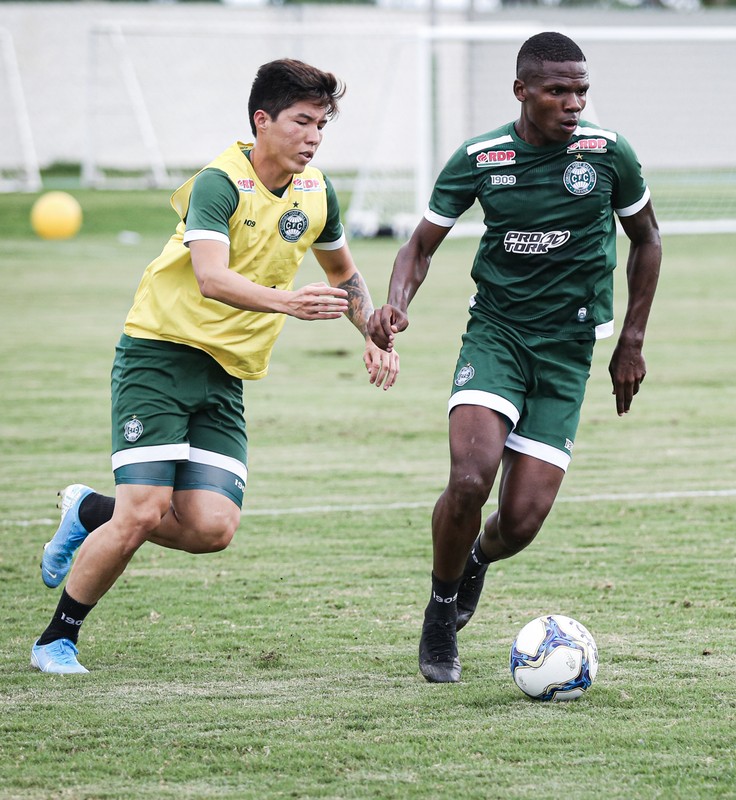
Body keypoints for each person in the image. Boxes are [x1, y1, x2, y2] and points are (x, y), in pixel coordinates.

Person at [31, 58, 398, 674]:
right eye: (301, 122)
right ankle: (55, 640)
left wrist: (373, 333)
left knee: (212, 529)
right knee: (144, 509)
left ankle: (88, 510)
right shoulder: (220, 182)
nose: (313, 137)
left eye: (321, 125)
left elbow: (343, 274)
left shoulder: (316, 192)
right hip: (159, 354)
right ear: (262, 120)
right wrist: (289, 302)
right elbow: (210, 277)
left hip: (226, 373)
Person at [368, 31, 661, 684]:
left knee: (522, 521)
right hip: (497, 337)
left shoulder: (608, 154)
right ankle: (441, 609)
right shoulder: (482, 157)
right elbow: (418, 247)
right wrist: (396, 304)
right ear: (522, 90)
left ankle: (474, 559)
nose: (574, 103)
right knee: (471, 478)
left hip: (568, 352)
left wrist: (631, 340)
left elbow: (648, 239)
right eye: (558, 91)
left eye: (581, 91)